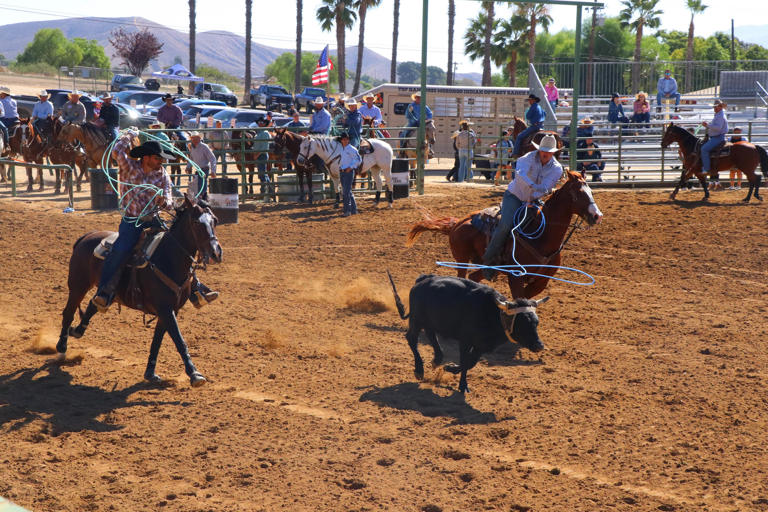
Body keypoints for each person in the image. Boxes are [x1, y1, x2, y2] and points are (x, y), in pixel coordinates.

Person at [91, 132, 218, 312]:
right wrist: (129, 135)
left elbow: (167, 192)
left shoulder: (162, 173)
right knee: (121, 249)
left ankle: (194, 288)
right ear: (147, 157)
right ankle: (105, 291)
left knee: (177, 246)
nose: (161, 162)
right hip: (132, 220)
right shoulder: (129, 167)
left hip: (153, 218)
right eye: (158, 158)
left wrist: (165, 200)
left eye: (162, 159)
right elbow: (117, 152)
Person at [482, 134, 563, 280]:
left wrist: (534, 194)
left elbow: (546, 187)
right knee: (506, 225)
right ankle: (488, 261)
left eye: (549, 151)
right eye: (544, 150)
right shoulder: (526, 159)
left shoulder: (557, 169)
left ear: (553, 153)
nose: (546, 154)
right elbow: (520, 178)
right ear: (539, 150)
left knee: (536, 228)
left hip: (534, 200)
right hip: (515, 196)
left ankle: (523, 259)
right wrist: (534, 189)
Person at [700, 99, 728, 179]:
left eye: (717, 107)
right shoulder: (719, 115)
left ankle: (706, 169)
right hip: (716, 137)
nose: (715, 108)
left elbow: (718, 128)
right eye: (714, 107)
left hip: (718, 137)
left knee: (704, 149)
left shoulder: (720, 116)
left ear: (720, 107)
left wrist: (707, 125)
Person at [186, 131, 217, 200]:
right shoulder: (192, 147)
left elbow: (212, 158)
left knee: (201, 184)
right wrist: (188, 167)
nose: (194, 140)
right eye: (193, 138)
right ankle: (202, 199)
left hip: (204, 168)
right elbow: (191, 158)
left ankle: (203, 198)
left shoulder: (204, 147)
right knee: (199, 184)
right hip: (199, 169)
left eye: (196, 138)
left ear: (199, 138)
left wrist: (213, 170)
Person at [338, 131, 361, 217]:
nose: (344, 141)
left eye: (346, 139)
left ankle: (347, 211)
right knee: (348, 191)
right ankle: (354, 210)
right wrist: (341, 167)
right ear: (341, 140)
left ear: (348, 140)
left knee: (346, 192)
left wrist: (350, 167)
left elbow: (358, 159)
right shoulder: (342, 149)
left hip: (348, 172)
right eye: (343, 139)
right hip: (343, 172)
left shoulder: (351, 149)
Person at [253, 118, 275, 201]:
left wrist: (257, 154)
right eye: (259, 122)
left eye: (261, 122)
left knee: (262, 173)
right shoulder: (260, 132)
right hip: (260, 155)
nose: (259, 123)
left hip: (261, 155)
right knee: (262, 173)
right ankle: (269, 192)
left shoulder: (265, 133)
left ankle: (264, 193)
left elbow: (264, 147)